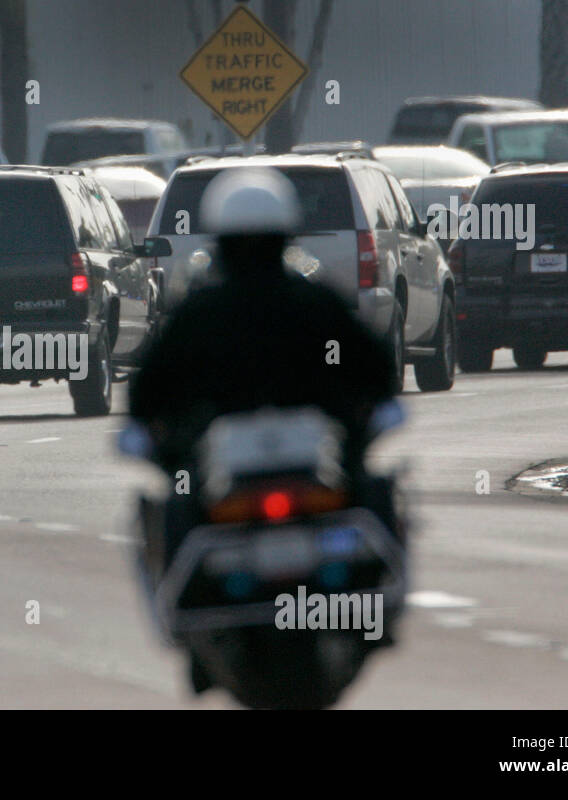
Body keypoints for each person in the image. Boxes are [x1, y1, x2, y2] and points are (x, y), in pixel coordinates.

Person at [128, 167, 398, 570]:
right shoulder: (315, 302)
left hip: (252, 477)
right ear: (286, 234)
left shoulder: (198, 314)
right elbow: (378, 370)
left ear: (219, 239)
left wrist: (163, 435)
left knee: (174, 507)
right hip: (288, 470)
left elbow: (145, 393)